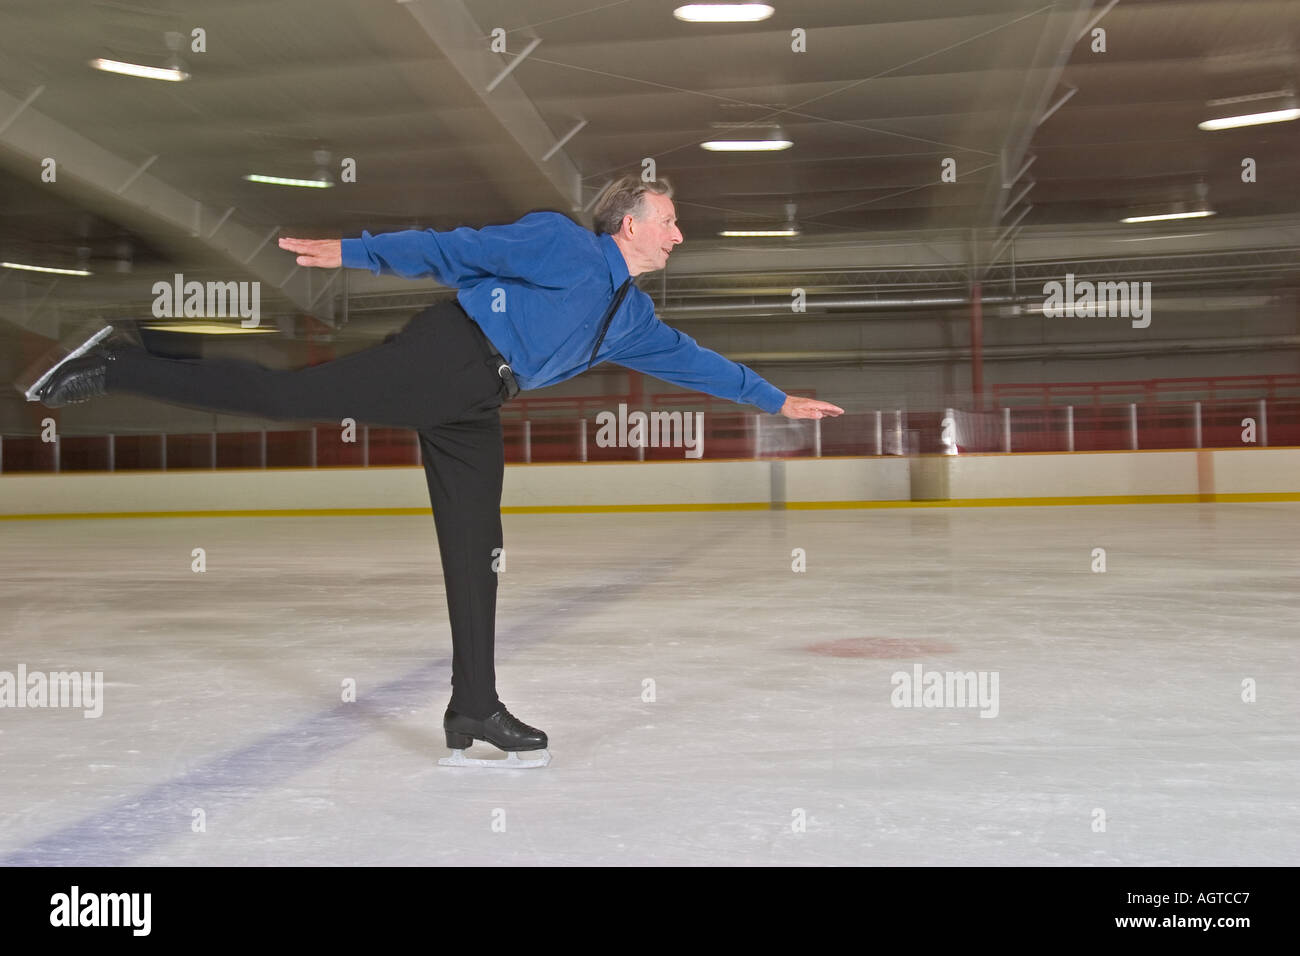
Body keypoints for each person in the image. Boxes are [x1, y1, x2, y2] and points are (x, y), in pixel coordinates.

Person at [25, 173, 844, 768]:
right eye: (667, 219)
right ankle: (126, 361)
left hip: (479, 402)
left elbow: (696, 364)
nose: (677, 234)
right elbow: (455, 249)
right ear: (627, 223)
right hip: (447, 354)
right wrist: (354, 251)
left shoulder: (631, 318)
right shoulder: (563, 242)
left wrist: (776, 401)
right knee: (284, 396)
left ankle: (473, 707)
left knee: (478, 549)